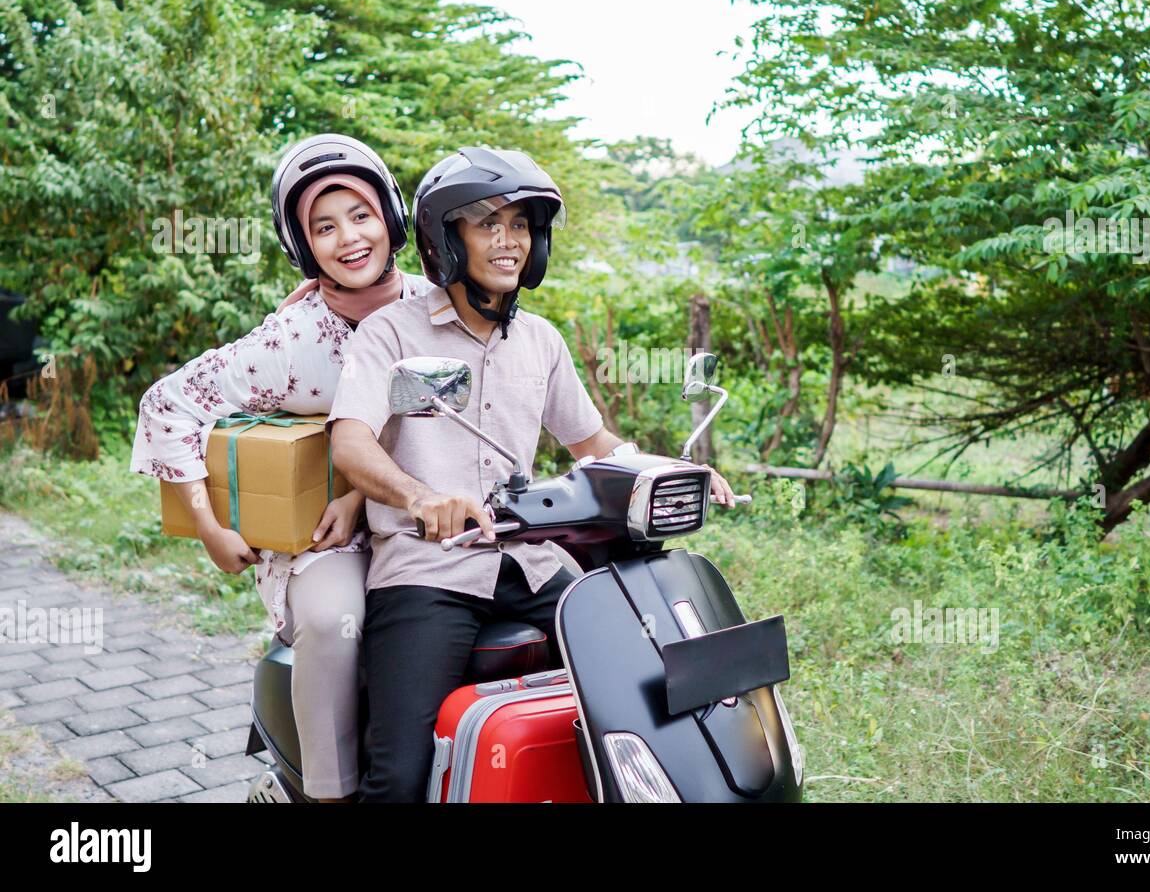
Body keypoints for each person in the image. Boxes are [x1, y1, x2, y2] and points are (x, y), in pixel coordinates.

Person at [327, 147, 735, 801]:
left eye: (521, 226)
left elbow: (594, 444)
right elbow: (350, 442)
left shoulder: (540, 340)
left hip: (531, 561)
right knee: (398, 774)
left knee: (647, 678)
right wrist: (421, 496)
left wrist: (672, 469)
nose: (509, 240)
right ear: (444, 237)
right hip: (431, 568)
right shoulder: (391, 334)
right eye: (488, 223)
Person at [129, 134, 432, 801]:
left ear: (391, 216)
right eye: (324, 226)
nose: (349, 238)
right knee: (332, 621)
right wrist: (210, 527)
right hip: (331, 542)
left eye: (361, 215)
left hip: (426, 517)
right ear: (302, 244)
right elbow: (168, 405)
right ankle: (327, 791)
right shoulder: (289, 340)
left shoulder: (434, 307)